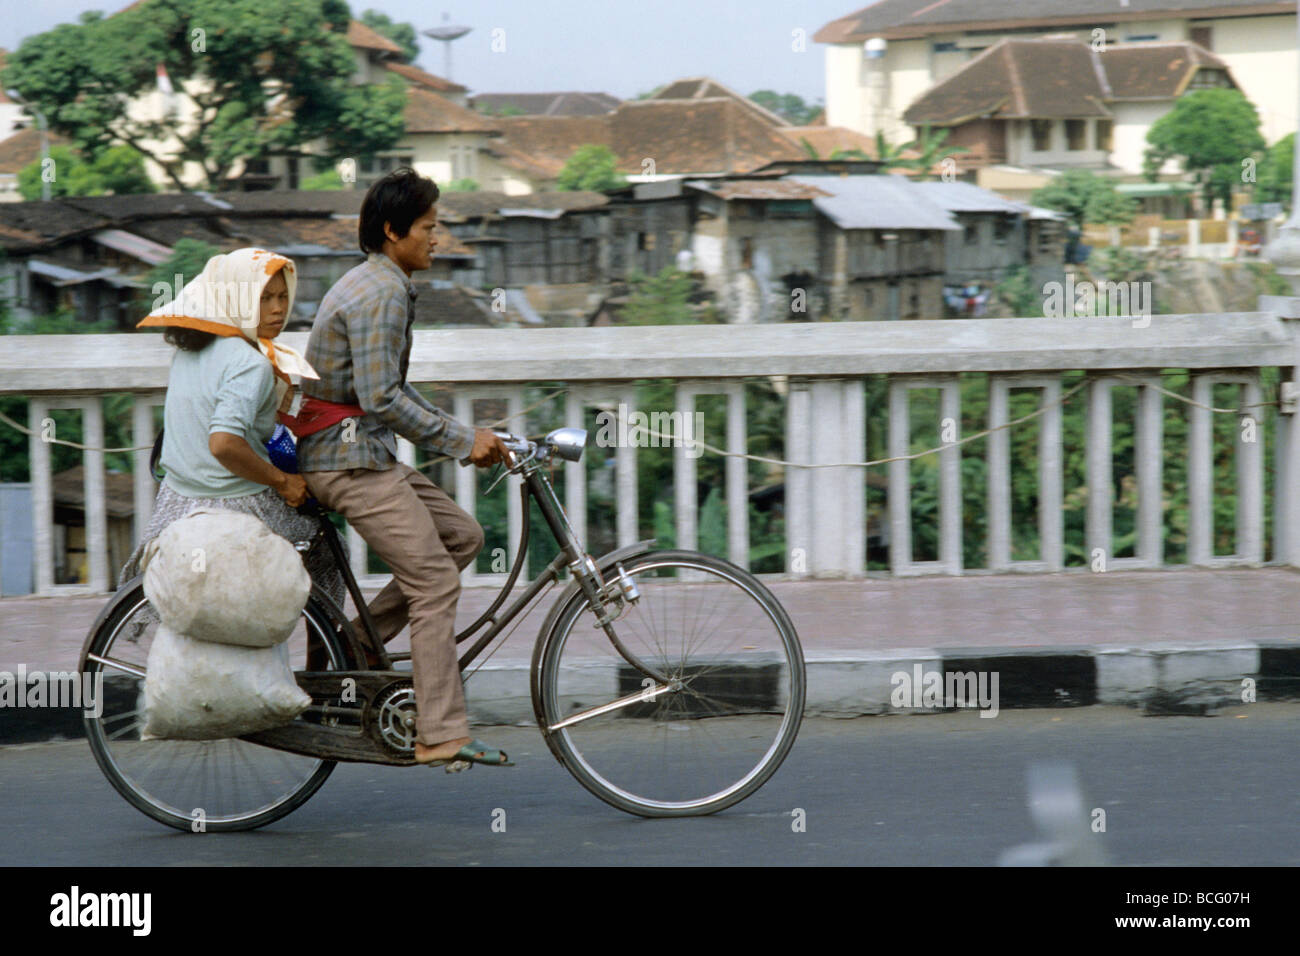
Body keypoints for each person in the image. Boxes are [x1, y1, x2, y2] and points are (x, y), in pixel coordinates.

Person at [293, 167, 512, 768]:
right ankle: (439, 733)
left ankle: (352, 646)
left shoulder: (378, 281)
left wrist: (467, 435)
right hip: (345, 460)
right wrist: (462, 441)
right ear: (393, 231)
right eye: (427, 227)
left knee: (463, 536)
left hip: (361, 451)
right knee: (435, 583)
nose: (436, 237)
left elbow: (388, 392)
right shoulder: (381, 292)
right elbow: (382, 401)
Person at [119, 248, 346, 612]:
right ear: (234, 298)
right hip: (236, 500)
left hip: (177, 500)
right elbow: (224, 444)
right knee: (329, 550)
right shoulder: (249, 364)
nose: (277, 309)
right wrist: (284, 482)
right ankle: (328, 659)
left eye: (282, 296)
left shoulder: (190, 352)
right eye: (263, 298)